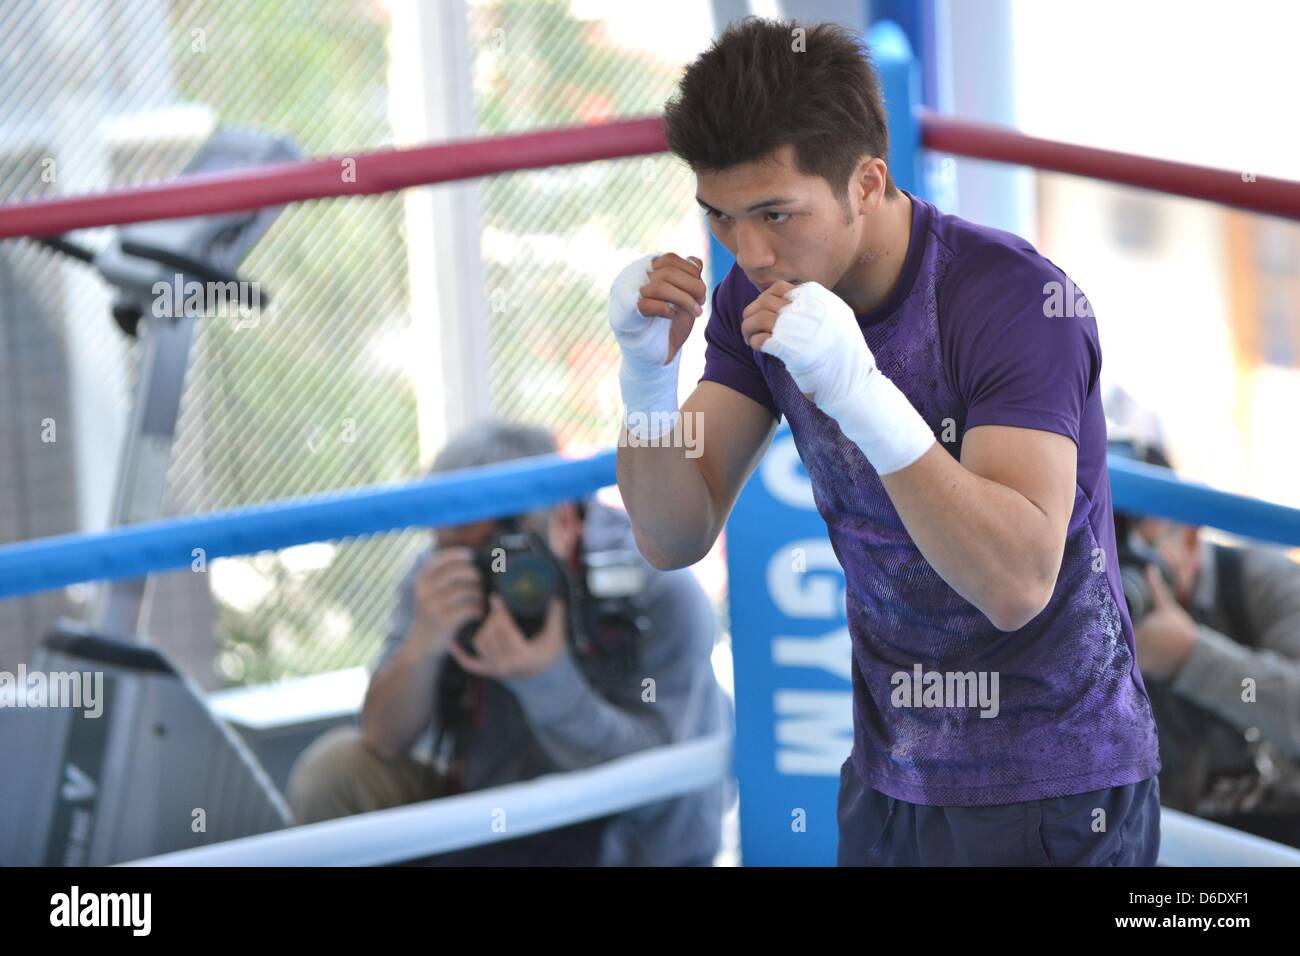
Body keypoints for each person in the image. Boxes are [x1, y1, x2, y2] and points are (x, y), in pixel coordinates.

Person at [610, 17, 1160, 865]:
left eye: (775, 213)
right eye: (719, 216)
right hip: (889, 774)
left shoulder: (1013, 303)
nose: (747, 250)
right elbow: (672, 536)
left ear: (867, 182)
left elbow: (1016, 582)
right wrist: (645, 385)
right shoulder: (754, 297)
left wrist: (861, 393)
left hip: (1055, 780)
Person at [286, 419, 731, 866]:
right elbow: (382, 739)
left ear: (562, 519)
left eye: (495, 551)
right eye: (451, 544)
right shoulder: (441, 573)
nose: (479, 570)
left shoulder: (652, 586)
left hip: (622, 839)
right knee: (335, 772)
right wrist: (423, 644)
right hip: (490, 812)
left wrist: (545, 680)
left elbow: (655, 790)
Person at [1111, 436, 1300, 848]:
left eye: (1141, 549)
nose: (1123, 572)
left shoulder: (1262, 583)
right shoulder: (1091, 617)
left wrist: (1189, 656)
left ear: (1191, 540)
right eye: (1110, 551)